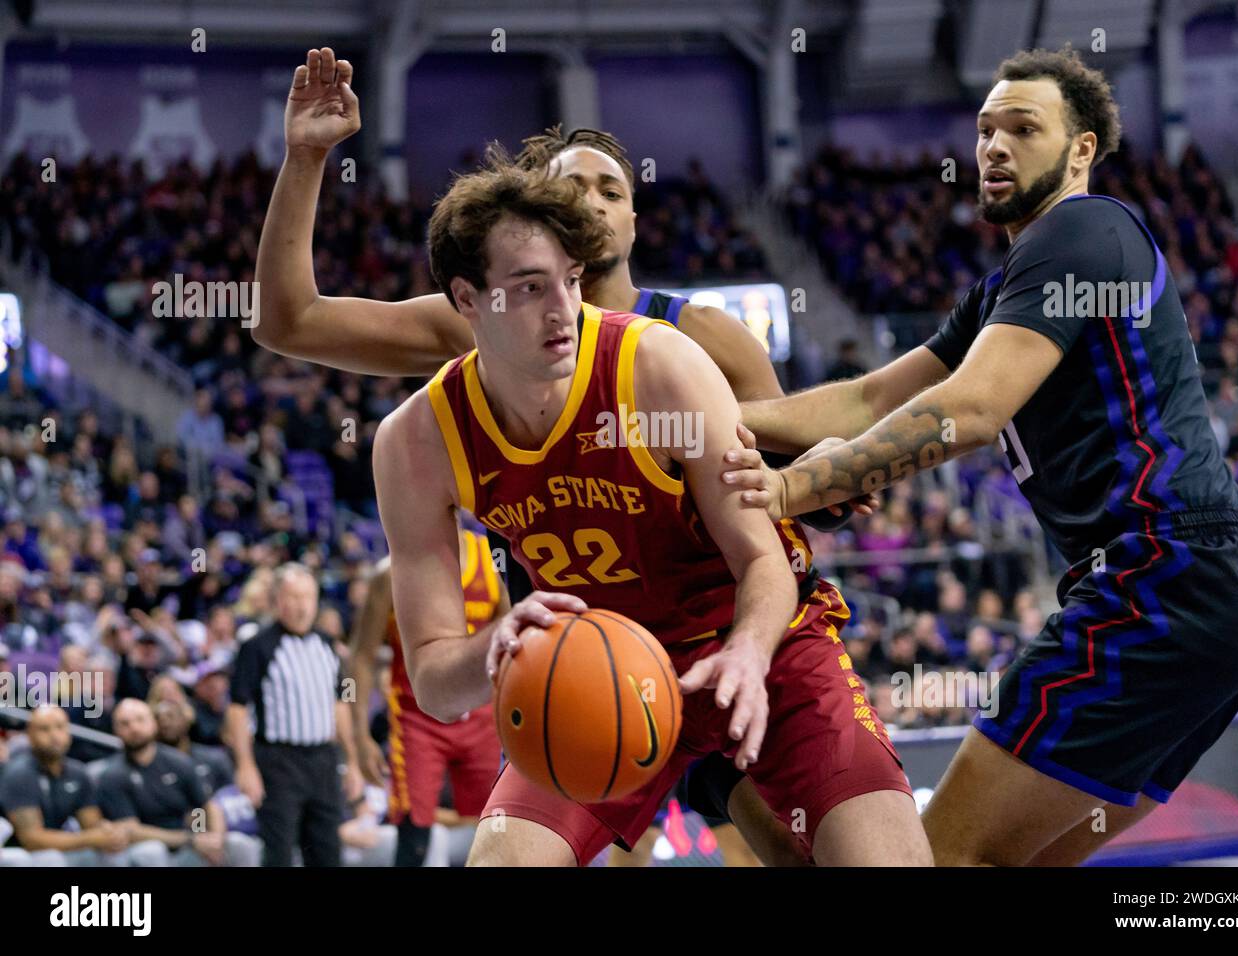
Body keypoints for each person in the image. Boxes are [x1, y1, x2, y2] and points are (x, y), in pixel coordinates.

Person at [252, 47, 836, 866]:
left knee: (795, 850)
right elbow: (287, 323)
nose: (591, 201)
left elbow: (784, 490)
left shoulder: (696, 342)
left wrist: (831, 477)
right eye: (571, 184)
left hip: (725, 635)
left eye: (612, 189)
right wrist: (307, 160)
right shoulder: (478, 327)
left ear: (634, 219)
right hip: (587, 658)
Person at [722, 46, 1238, 866]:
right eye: (986, 130)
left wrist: (784, 490)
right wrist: (722, 421)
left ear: (1083, 149)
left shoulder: (1082, 228)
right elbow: (869, 400)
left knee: (945, 858)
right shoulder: (1005, 288)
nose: (993, 146)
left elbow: (971, 411)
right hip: (1218, 596)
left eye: (1023, 129)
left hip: (1162, 576)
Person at [371, 151, 927, 867]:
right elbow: (437, 685)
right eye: (531, 287)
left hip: (764, 642)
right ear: (468, 300)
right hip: (598, 670)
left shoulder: (661, 365)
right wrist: (498, 642)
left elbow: (762, 557)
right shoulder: (416, 443)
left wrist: (750, 653)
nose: (563, 307)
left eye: (570, 280)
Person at [350, 525, 505, 868]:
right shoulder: (390, 573)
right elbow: (360, 656)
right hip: (417, 719)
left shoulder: (492, 562)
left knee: (496, 827)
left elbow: (511, 644)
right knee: (414, 835)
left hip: (482, 719)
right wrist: (360, 737)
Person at [225, 562, 364, 866]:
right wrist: (245, 766)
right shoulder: (257, 646)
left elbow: (340, 705)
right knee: (279, 850)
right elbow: (237, 708)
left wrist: (352, 761)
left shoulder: (328, 645)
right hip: (278, 761)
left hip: (324, 759)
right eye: (294, 597)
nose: (302, 606)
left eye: (308, 597)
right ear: (277, 600)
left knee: (328, 849)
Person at [97, 699, 240, 866]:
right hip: (144, 847)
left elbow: (204, 806)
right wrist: (190, 839)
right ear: (115, 730)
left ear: (153, 723)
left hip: (186, 842)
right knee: (152, 851)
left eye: (140, 719)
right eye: (125, 724)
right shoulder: (111, 775)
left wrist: (211, 837)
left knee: (240, 844)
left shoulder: (179, 762)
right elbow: (131, 830)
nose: (134, 728)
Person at [0, 706, 129, 866]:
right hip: (19, 853)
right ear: (30, 735)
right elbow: (31, 839)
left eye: (60, 727)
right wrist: (92, 838)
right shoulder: (18, 773)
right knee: (51, 859)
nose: (54, 736)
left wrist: (109, 833)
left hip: (60, 846)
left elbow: (90, 824)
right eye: (44, 729)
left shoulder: (78, 772)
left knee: (111, 853)